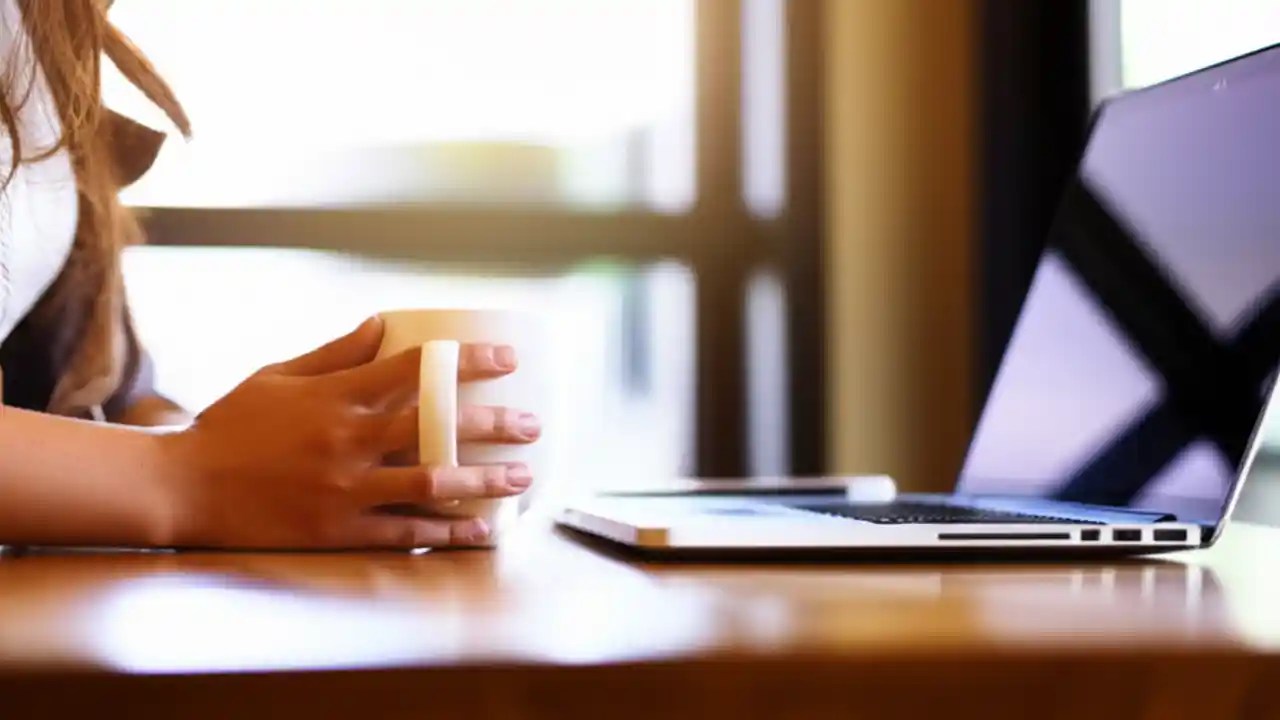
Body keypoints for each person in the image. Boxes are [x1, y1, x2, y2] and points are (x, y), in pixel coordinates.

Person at [0, 0, 539, 549]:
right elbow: (173, 464)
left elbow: (111, 397)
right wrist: (192, 477)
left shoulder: (46, 37)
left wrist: (302, 465)